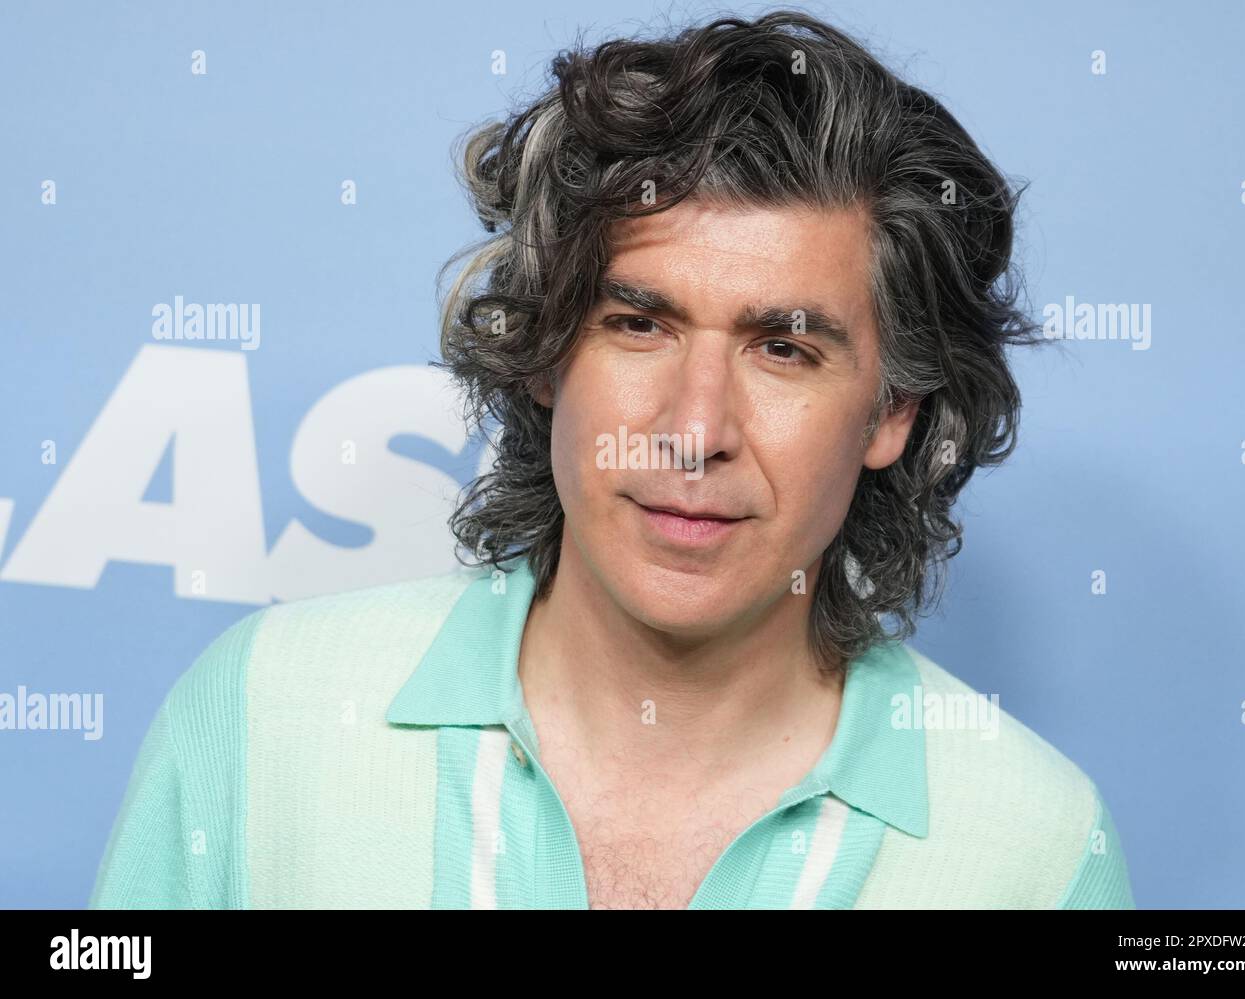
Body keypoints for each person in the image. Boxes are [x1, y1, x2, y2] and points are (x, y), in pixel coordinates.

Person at [90, 9, 1135, 909]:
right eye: (640, 325)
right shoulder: (260, 716)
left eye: (784, 349)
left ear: (891, 414)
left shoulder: (1033, 852)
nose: (693, 427)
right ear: (548, 350)